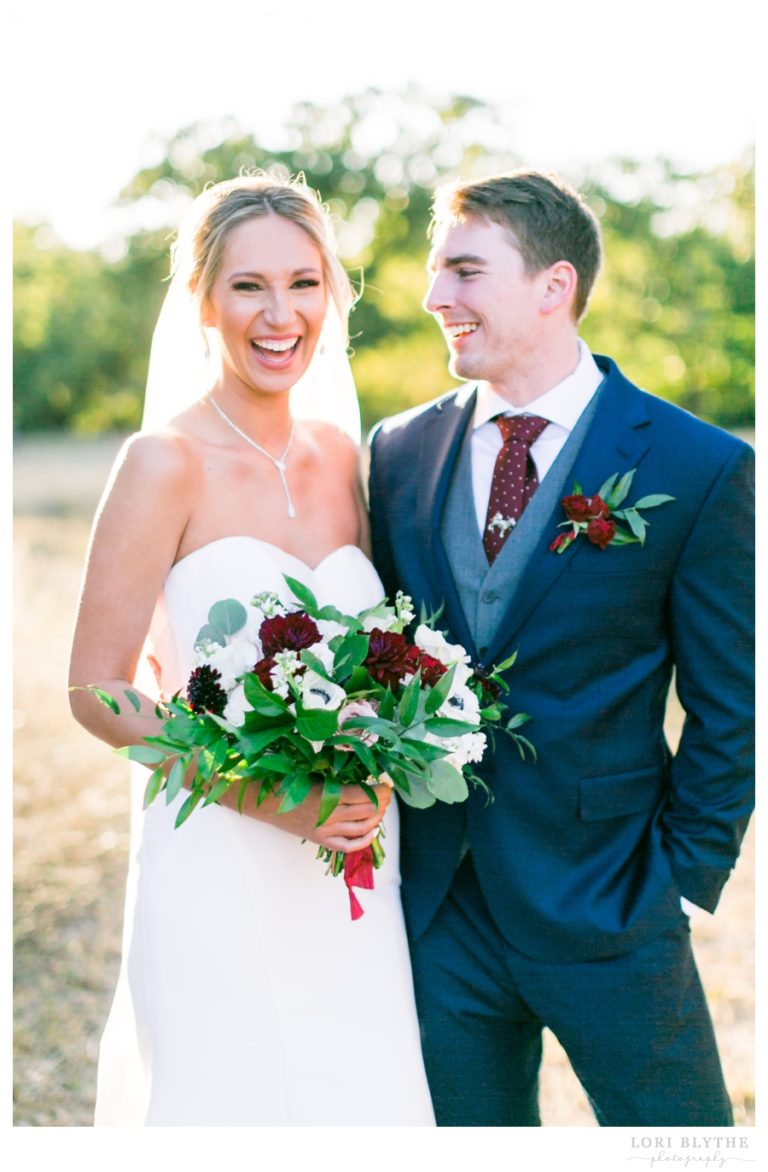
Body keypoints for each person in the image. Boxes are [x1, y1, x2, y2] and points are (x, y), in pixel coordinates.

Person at [367, 169, 754, 1126]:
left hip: (614, 900)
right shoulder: (397, 452)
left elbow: (732, 704)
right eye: (434, 272)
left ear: (554, 285)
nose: (434, 297)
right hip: (441, 911)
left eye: (464, 271)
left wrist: (679, 882)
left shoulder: (696, 465)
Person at [69, 174, 435, 1126]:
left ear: (332, 296)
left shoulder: (344, 457)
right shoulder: (163, 462)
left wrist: (387, 748)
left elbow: (379, 656)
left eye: (304, 284)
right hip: (222, 854)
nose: (281, 316)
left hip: (354, 862)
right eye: (248, 287)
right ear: (202, 301)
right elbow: (98, 691)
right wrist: (273, 800)